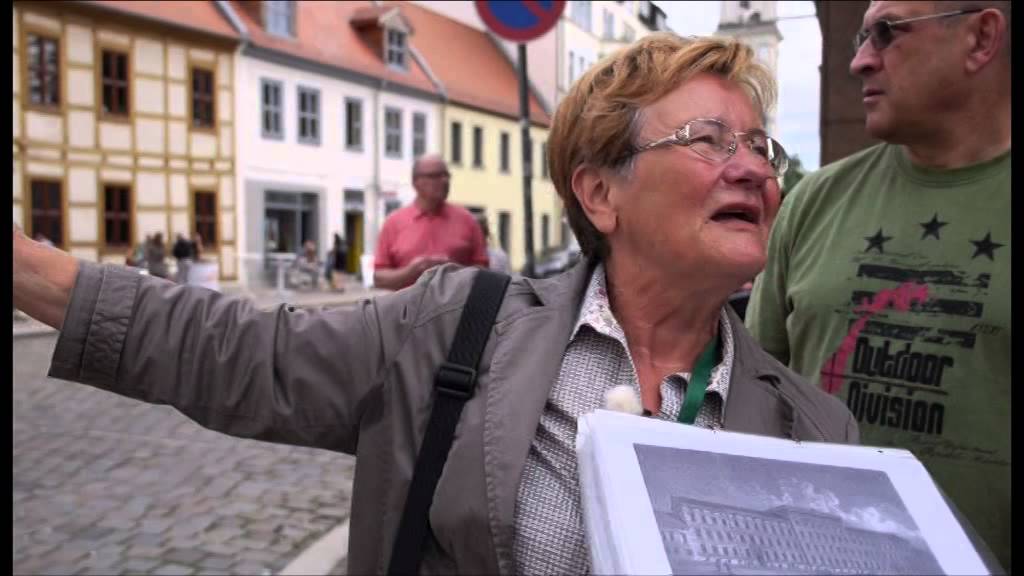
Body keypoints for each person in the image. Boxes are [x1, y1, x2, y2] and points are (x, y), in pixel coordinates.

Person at [13, 34, 857, 575]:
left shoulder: (818, 434)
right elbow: (243, 352)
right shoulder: (457, 329)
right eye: (709, 140)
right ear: (601, 193)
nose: (753, 167)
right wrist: (31, 271)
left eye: (759, 145)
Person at [745, 1, 1010, 570]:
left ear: (981, 37)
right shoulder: (814, 203)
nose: (860, 61)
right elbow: (754, 400)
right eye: (860, 37)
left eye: (888, 33)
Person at [373, 154, 489, 290]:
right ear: (416, 182)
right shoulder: (393, 223)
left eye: (446, 175)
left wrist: (453, 271)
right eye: (436, 176)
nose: (444, 181)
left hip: (457, 308)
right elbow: (379, 278)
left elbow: (484, 272)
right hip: (408, 308)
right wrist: (412, 271)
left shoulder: (467, 220)